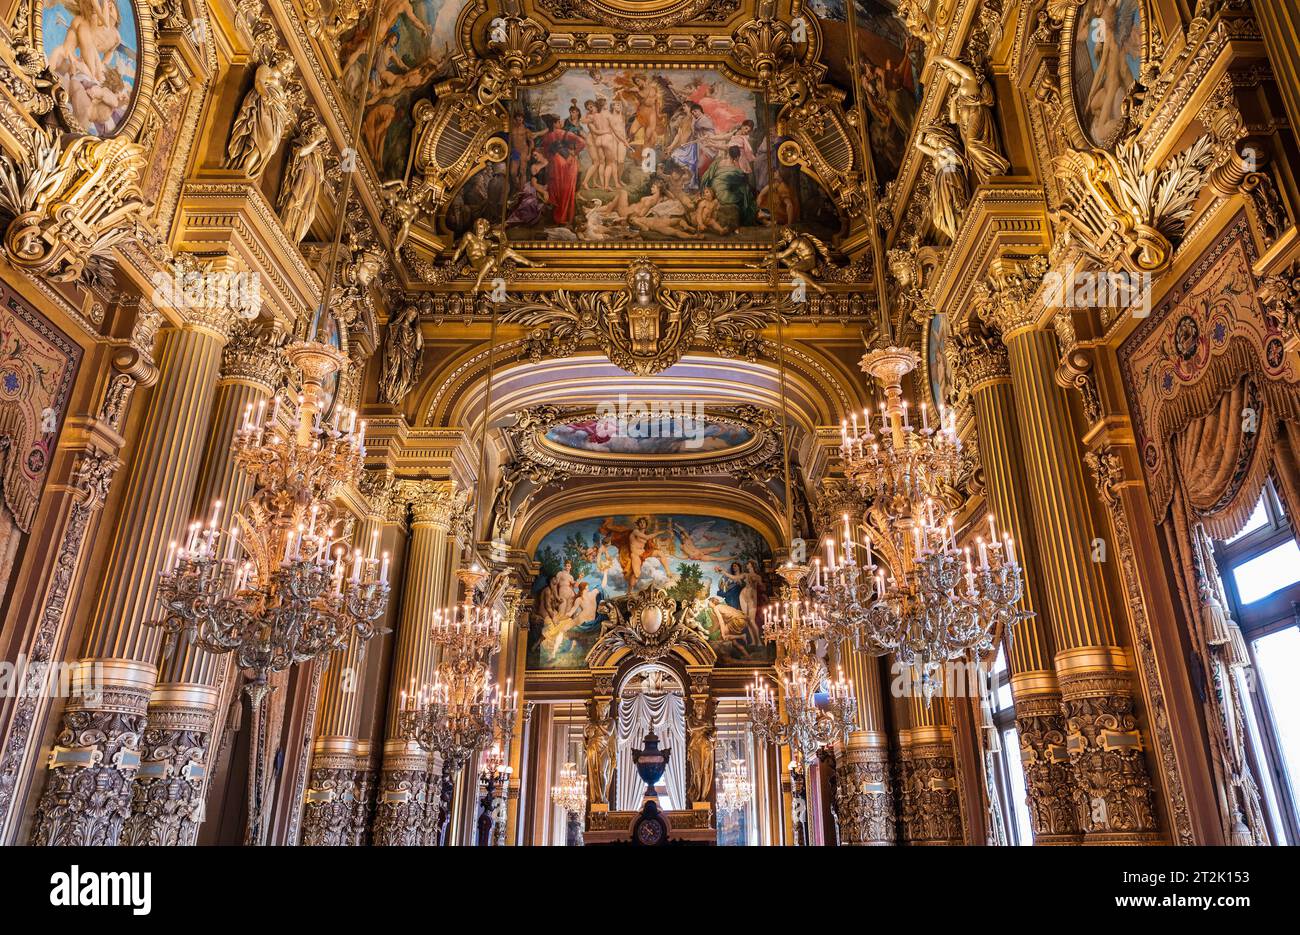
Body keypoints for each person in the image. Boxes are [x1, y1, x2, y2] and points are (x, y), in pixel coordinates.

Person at [535, 114, 586, 225]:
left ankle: (558, 218)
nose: (560, 124)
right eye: (559, 122)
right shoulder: (562, 133)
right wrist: (574, 152)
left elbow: (545, 153)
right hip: (568, 164)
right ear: (554, 123)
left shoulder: (546, 138)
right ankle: (567, 218)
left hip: (554, 167)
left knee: (557, 191)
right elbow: (582, 143)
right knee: (567, 192)